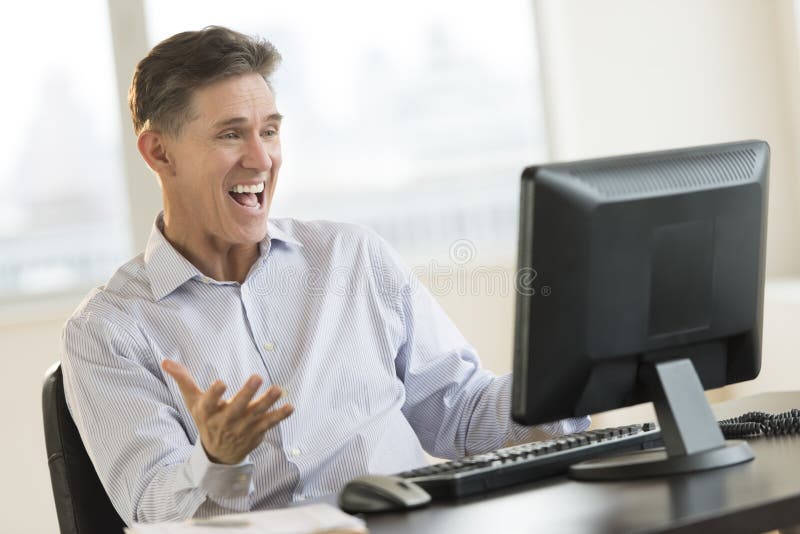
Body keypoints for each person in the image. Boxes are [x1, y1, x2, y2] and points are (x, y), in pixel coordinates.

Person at [61, 26, 588, 524]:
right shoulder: (110, 331)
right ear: (159, 153)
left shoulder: (351, 257)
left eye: (269, 130)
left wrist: (576, 377)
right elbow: (153, 513)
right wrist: (218, 460)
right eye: (230, 135)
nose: (261, 157)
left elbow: (462, 415)